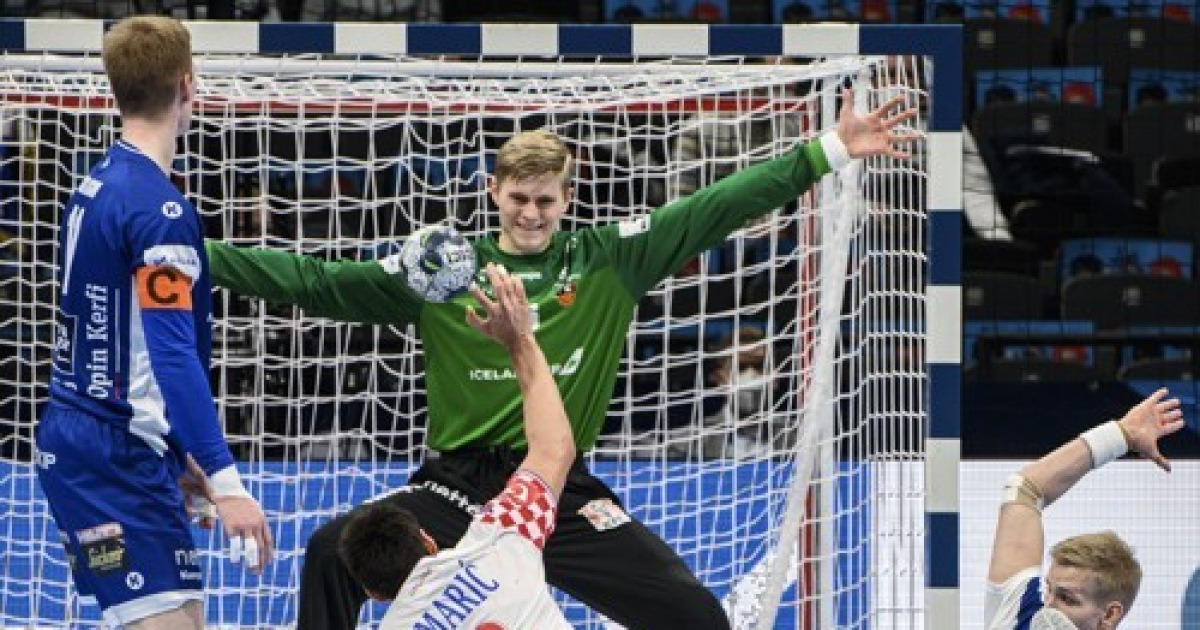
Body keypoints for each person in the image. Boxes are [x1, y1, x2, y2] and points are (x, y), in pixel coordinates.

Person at [206, 88, 918, 629]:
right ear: (494, 192)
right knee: (332, 550)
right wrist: (193, 249)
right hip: (460, 486)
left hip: (559, 488)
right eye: (518, 198)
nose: (531, 214)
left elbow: (715, 207)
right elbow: (317, 282)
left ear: (567, 198)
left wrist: (826, 150)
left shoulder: (609, 260)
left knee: (695, 615)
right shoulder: (446, 273)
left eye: (546, 200)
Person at [34, 16, 272, 630]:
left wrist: (176, 453)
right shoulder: (158, 210)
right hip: (112, 452)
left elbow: (113, 339)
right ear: (188, 86)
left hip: (109, 440)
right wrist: (226, 479)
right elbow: (170, 356)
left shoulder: (97, 184)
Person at [339, 263, 574, 628]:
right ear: (429, 542)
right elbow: (554, 448)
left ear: (374, 594)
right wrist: (519, 341)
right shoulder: (500, 537)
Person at [986, 388, 1186, 629]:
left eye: (1067, 599)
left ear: (1109, 615)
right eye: (1048, 591)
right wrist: (1121, 435)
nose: (1048, 608)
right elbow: (1025, 489)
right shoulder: (1016, 615)